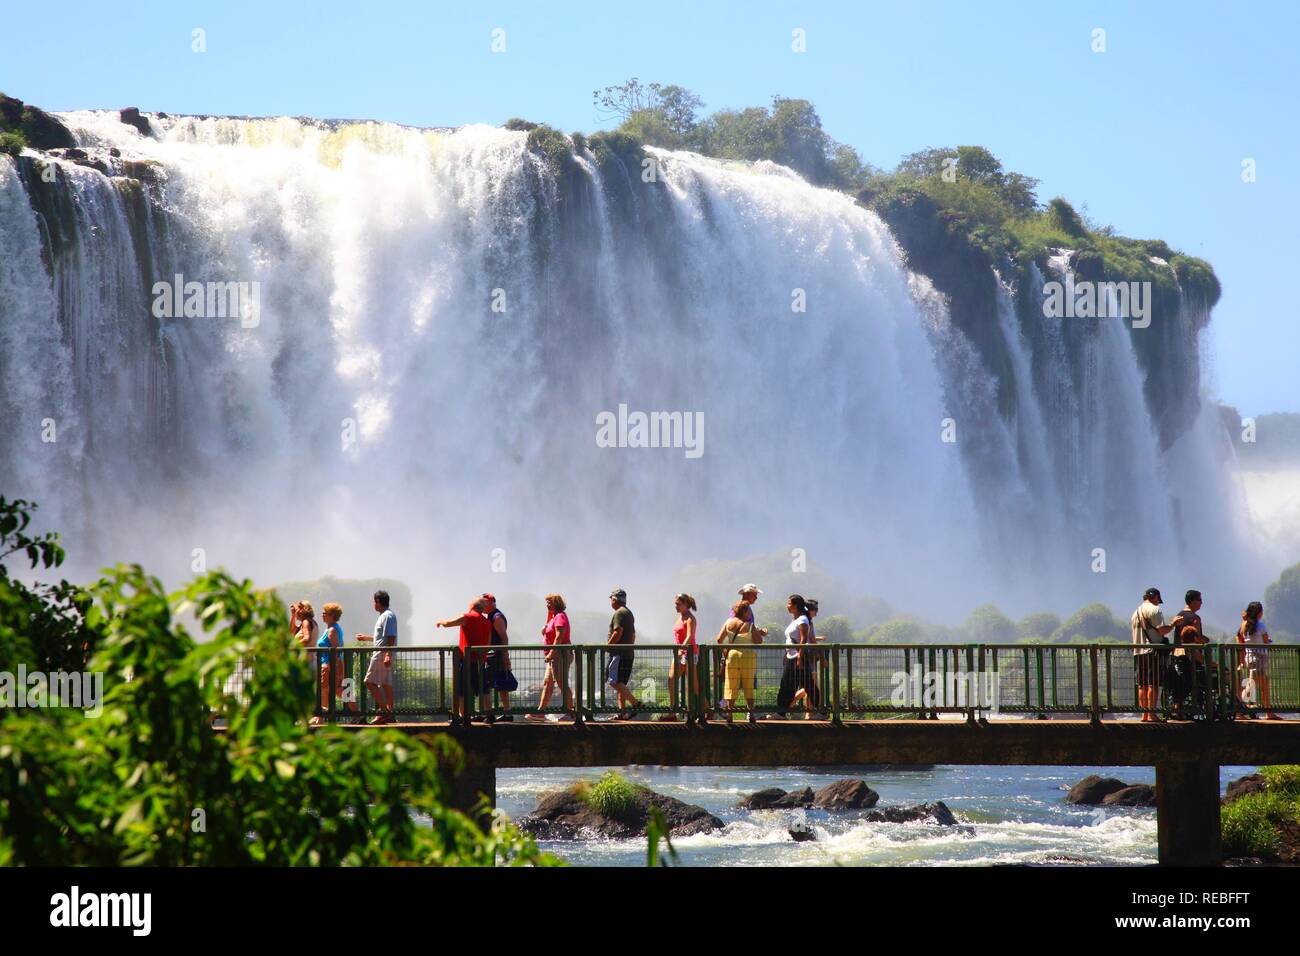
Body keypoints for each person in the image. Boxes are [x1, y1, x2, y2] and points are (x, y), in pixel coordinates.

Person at [437, 597, 493, 722]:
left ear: (472, 606)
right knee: (483, 688)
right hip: (480, 660)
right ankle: (489, 715)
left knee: (460, 689)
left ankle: (462, 717)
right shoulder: (487, 622)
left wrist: (441, 621)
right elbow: (488, 643)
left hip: (465, 660)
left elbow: (448, 624)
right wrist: (482, 655)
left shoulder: (467, 617)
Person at [312, 603, 359, 725]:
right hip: (329, 665)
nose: (322, 615)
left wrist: (336, 670)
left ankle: (321, 717)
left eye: (324, 613)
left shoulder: (332, 630)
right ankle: (357, 714)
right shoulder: (331, 628)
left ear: (331, 615)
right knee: (338, 690)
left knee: (326, 690)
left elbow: (336, 651)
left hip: (329, 665)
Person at [528, 593, 573, 720]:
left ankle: (571, 713)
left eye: (550, 602)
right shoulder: (554, 617)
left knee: (561, 683)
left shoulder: (560, 616)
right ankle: (541, 712)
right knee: (548, 683)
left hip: (559, 654)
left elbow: (560, 636)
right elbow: (548, 627)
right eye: (547, 602)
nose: (547, 605)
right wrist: (549, 613)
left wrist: (552, 653)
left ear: (556, 603)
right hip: (554, 656)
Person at [1130, 587, 1172, 722]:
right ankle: (1153, 714)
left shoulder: (1135, 613)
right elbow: (1162, 631)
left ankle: (1145, 715)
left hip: (1138, 651)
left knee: (1142, 684)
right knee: (1153, 683)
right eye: (1158, 600)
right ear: (1156, 597)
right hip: (1152, 652)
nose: (1158, 602)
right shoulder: (1155, 610)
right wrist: (1173, 624)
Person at [355, 590, 398, 725]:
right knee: (386, 684)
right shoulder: (387, 615)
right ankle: (389, 713)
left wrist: (387, 655)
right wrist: (366, 638)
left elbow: (391, 637)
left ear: (378, 602)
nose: (373, 604)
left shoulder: (387, 616)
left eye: (374, 601)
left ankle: (384, 712)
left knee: (369, 682)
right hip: (383, 652)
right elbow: (383, 637)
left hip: (381, 653)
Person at [1237, 601, 1281, 720]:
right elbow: (1266, 642)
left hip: (1250, 657)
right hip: (1260, 658)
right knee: (1252, 685)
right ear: (1259, 613)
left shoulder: (1244, 625)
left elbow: (1241, 637)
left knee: (1262, 684)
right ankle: (1239, 710)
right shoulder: (1261, 626)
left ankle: (1269, 713)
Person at [716, 613, 761, 724]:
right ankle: (751, 714)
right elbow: (759, 641)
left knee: (731, 685)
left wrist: (725, 651)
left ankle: (729, 715)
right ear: (745, 612)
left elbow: (719, 639)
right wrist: (757, 632)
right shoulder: (750, 625)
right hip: (747, 656)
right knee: (748, 685)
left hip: (732, 656)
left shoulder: (728, 622)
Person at [777, 595, 816, 718]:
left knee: (806, 685)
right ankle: (781, 712)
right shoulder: (796, 619)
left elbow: (804, 639)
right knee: (788, 684)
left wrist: (800, 656)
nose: (787, 606)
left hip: (798, 657)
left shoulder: (803, 620)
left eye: (789, 603)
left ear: (795, 606)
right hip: (791, 656)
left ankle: (820, 712)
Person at [660, 593, 698, 721]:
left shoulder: (690, 618)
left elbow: (690, 636)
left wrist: (681, 649)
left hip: (688, 654)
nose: (675, 606)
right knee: (672, 680)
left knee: (692, 685)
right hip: (679, 653)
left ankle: (703, 710)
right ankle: (673, 712)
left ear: (686, 604)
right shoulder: (680, 617)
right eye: (675, 604)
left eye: (678, 604)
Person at [607, 589, 641, 720]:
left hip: (619, 654)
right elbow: (633, 635)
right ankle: (622, 713)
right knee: (621, 683)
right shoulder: (628, 613)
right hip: (627, 653)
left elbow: (617, 632)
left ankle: (635, 704)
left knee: (614, 681)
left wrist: (608, 646)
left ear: (614, 600)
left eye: (611, 599)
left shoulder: (619, 613)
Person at [481, 593, 514, 721]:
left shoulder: (496, 617)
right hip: (494, 655)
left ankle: (490, 714)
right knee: (500, 684)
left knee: (487, 684)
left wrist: (505, 656)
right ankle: (507, 713)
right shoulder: (492, 616)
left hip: (497, 656)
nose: (483, 606)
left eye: (485, 603)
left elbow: (504, 637)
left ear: (492, 603)